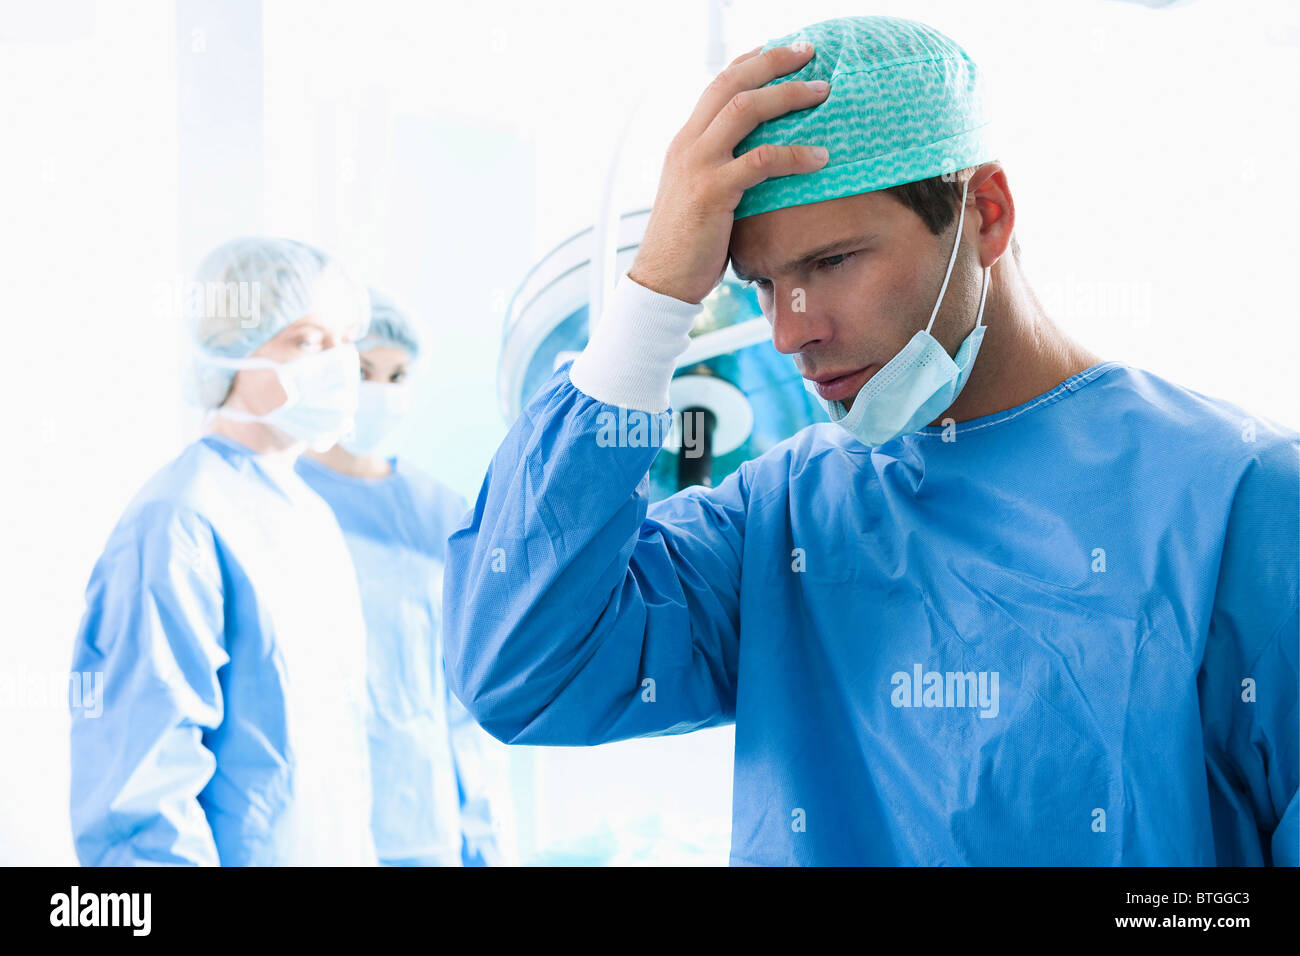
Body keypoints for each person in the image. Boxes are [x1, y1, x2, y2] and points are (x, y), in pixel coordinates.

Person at [441, 15, 1299, 865]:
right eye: (762, 284)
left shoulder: (1241, 501)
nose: (788, 332)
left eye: (832, 262)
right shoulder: (780, 520)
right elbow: (523, 670)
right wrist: (655, 296)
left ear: (987, 216)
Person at [70, 237, 379, 866]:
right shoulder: (179, 521)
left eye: (347, 341)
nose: (340, 365)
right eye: (309, 341)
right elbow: (143, 795)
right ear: (233, 348)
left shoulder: (310, 516)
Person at [296, 289, 513, 866]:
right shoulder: (280, 503)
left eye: (397, 376)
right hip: (304, 819)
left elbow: (467, 700)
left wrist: (484, 843)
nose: (378, 394)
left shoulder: (443, 517)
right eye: (363, 372)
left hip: (420, 820)